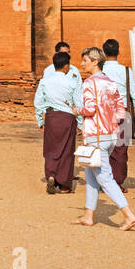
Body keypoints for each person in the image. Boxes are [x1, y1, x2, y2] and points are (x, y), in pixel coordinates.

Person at [74, 47, 135, 230]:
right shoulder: (110, 82)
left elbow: (89, 109)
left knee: (104, 177)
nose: (82, 64)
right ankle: (88, 215)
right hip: (111, 134)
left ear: (95, 61)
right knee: (91, 175)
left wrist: (77, 110)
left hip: (96, 135)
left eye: (85, 60)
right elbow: (120, 110)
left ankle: (128, 215)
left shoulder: (89, 83)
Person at [34, 50, 82, 194]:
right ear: (66, 66)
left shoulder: (45, 81)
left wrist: (40, 120)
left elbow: (38, 102)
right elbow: (77, 104)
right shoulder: (71, 82)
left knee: (50, 149)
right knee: (66, 151)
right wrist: (80, 123)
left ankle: (51, 175)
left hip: (51, 117)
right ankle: (65, 186)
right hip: (67, 118)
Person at [99, 38, 135, 192]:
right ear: (118, 52)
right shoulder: (126, 71)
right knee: (120, 149)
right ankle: (116, 182)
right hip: (121, 112)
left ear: (103, 53)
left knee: (102, 147)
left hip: (102, 113)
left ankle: (102, 181)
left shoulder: (99, 70)